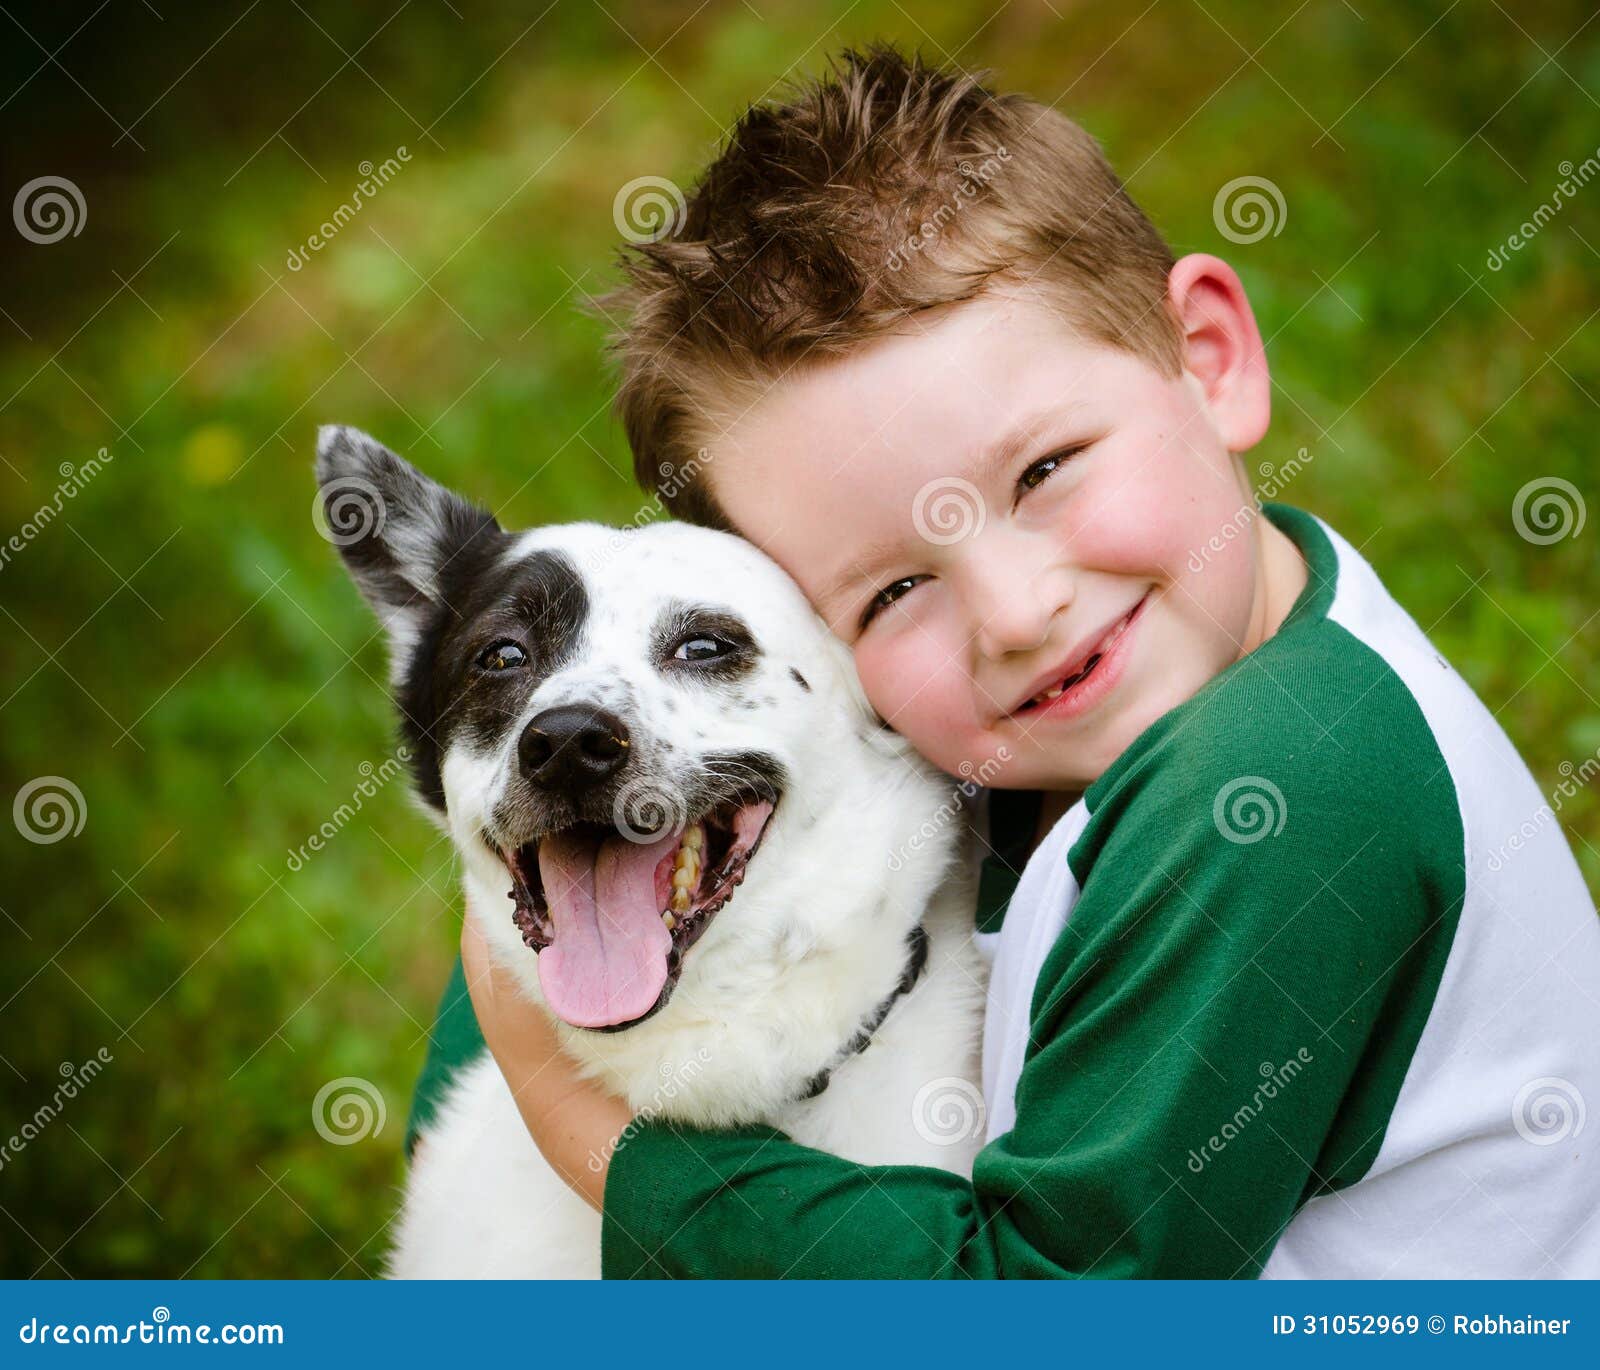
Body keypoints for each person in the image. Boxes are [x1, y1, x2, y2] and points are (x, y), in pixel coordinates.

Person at [417, 45, 1600, 1278]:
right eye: (893, 589)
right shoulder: (1096, 699)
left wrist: (589, 1129)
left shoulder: (1279, 795)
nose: (1018, 613)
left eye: (1044, 472)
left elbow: (1043, 1304)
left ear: (1207, 357)